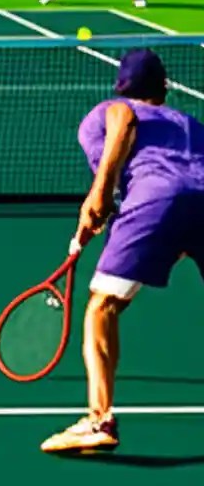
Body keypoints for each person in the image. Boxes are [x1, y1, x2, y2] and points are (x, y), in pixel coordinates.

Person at [40, 49, 204, 454]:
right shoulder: (193, 124)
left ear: (121, 87)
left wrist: (96, 196)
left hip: (157, 198)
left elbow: (123, 122)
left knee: (102, 307)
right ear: (163, 88)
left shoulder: (110, 110)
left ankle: (99, 420)